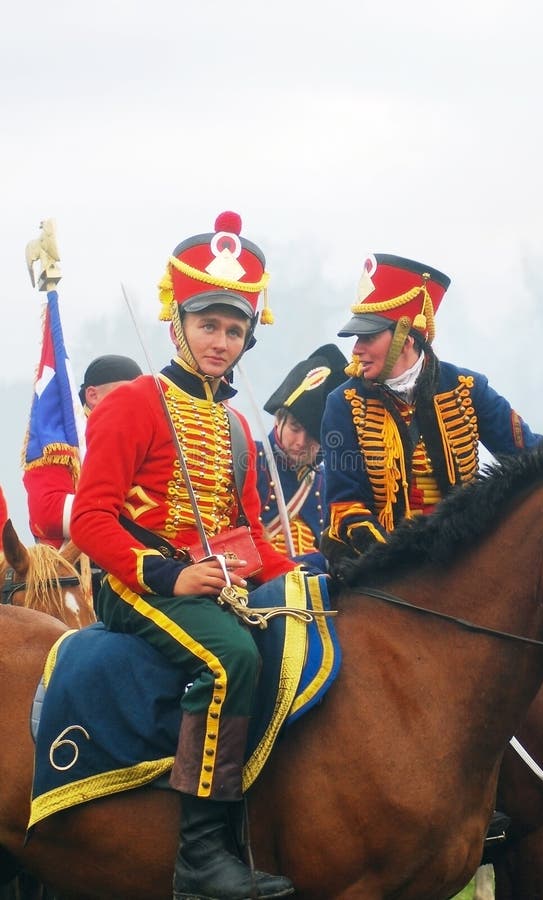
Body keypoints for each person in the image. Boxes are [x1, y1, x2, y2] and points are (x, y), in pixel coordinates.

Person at [70, 211, 296, 900]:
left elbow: (254, 535)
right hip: (137, 583)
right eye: (209, 325)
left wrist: (309, 583)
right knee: (232, 657)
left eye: (234, 330)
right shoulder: (136, 402)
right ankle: (200, 855)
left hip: (216, 583)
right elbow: (88, 518)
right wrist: (168, 572)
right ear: (177, 324)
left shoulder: (235, 425)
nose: (221, 341)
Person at [320, 252, 543, 565]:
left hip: (463, 559)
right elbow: (345, 504)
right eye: (357, 337)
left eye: (368, 336)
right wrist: (391, 559)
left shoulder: (467, 387)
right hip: (382, 567)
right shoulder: (343, 403)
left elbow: (531, 456)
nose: (357, 349)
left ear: (406, 337)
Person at [23, 354, 142, 549]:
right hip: (71, 568)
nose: (135, 405)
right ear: (93, 395)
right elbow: (47, 513)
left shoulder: (140, 438)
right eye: (125, 395)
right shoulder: (60, 444)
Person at [256, 344, 347, 569]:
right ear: (279, 419)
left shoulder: (325, 481)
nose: (300, 443)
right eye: (295, 427)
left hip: (311, 585)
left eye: (313, 436)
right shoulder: (249, 458)